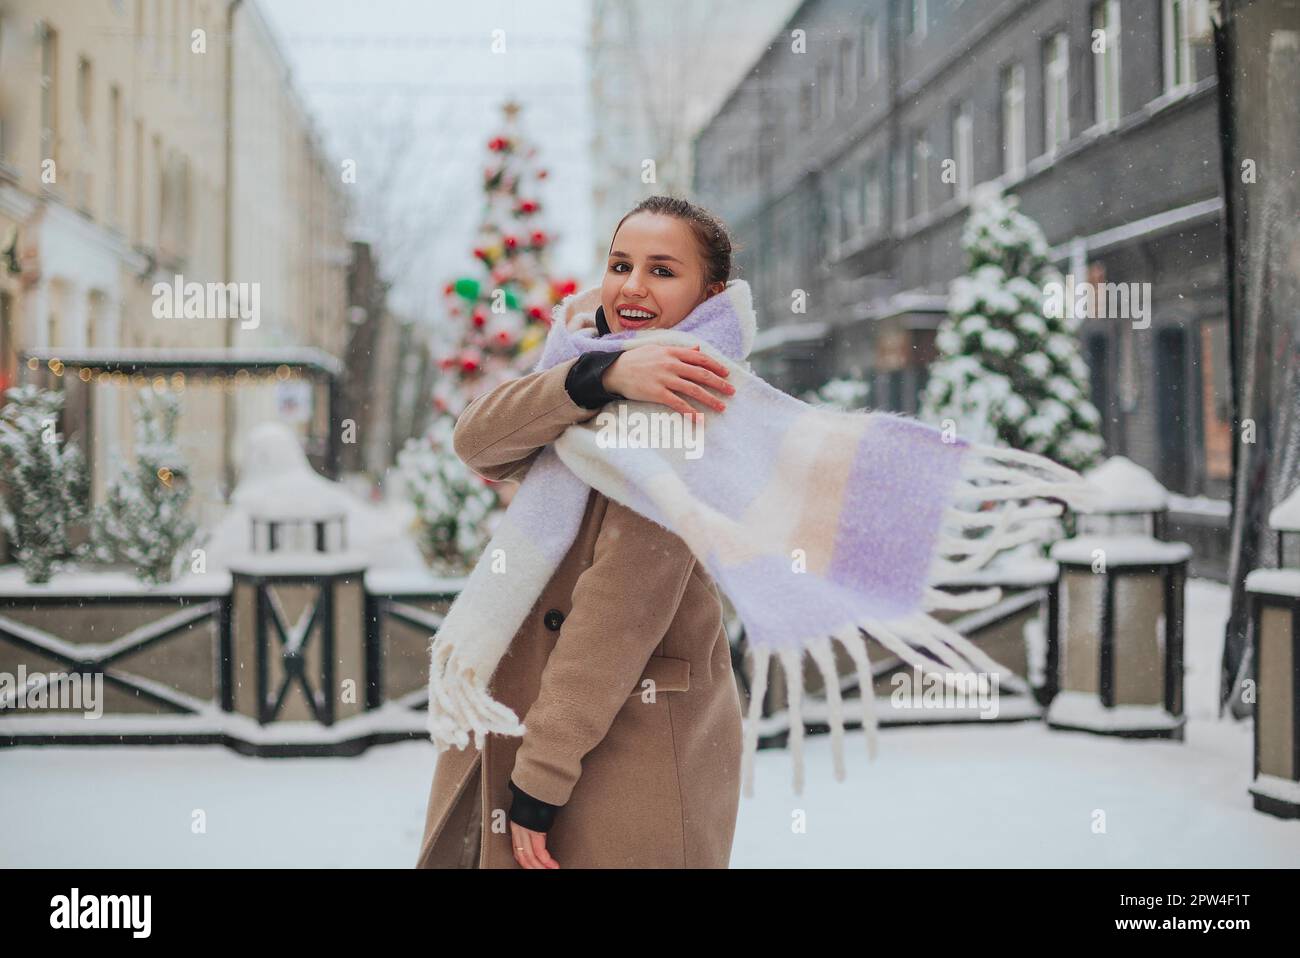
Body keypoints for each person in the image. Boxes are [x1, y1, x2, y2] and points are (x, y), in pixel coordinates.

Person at [415, 196, 745, 869]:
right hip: (543, 718)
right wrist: (598, 374)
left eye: (661, 270)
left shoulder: (691, 399)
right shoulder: (590, 366)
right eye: (621, 264)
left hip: (627, 744)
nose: (631, 286)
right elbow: (480, 443)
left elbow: (618, 616)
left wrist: (540, 781)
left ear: (710, 293)